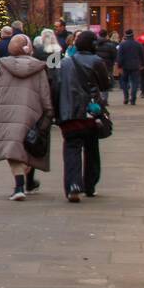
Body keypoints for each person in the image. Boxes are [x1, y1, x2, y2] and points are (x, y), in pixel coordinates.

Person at [0, 33, 52, 200]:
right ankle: (27, 180)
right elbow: (45, 94)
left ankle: (19, 187)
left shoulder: (2, 66)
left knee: (12, 149)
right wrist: (48, 112)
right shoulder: (38, 68)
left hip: (6, 114)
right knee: (28, 145)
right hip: (31, 113)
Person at [57, 31, 112, 201]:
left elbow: (57, 85)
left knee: (71, 148)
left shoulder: (64, 62)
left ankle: (73, 185)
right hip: (90, 112)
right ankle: (90, 185)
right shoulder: (97, 61)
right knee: (91, 149)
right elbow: (105, 84)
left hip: (69, 112)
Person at [115, 29, 144, 106]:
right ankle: (133, 98)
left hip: (125, 66)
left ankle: (126, 97)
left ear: (125, 35)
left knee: (124, 82)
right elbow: (142, 55)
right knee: (135, 82)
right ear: (133, 35)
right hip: (135, 65)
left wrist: (119, 66)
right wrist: (142, 64)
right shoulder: (138, 44)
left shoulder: (122, 45)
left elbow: (119, 56)